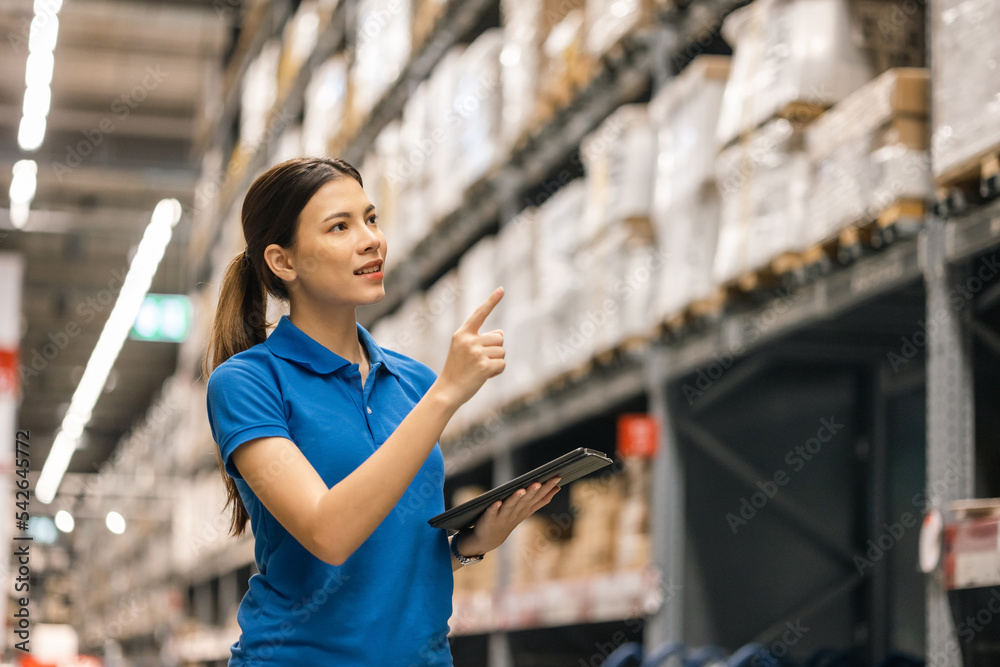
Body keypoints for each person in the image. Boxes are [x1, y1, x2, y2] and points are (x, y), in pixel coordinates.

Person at [202, 156, 560, 666]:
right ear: (283, 262)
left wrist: (470, 545)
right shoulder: (248, 383)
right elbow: (328, 533)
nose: (371, 239)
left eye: (371, 219)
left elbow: (387, 558)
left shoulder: (410, 381)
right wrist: (446, 397)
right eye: (340, 227)